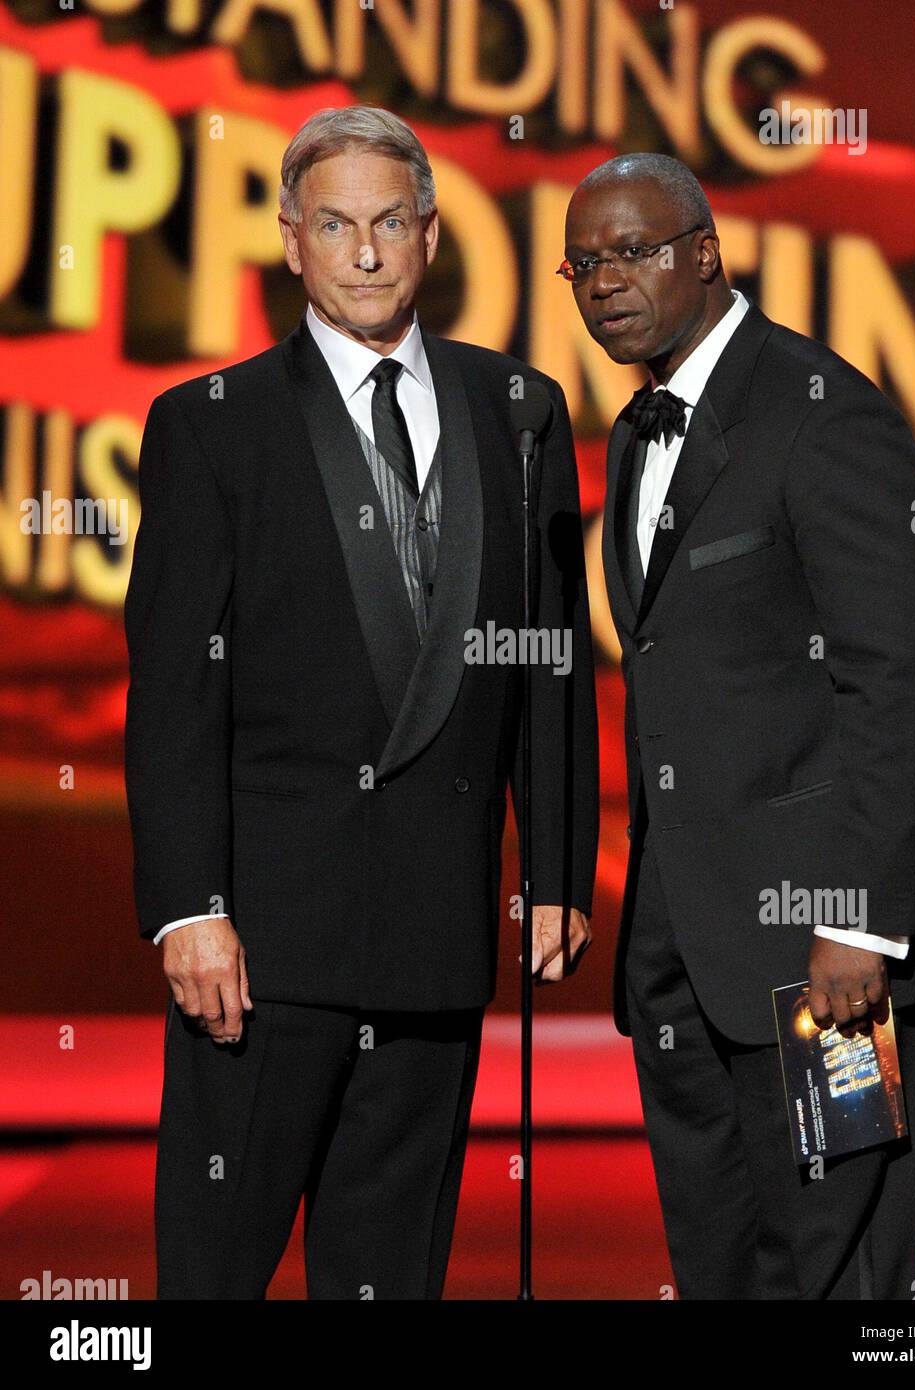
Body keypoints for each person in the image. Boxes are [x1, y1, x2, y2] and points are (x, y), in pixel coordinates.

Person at [124, 105, 598, 1300]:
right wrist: (189, 909)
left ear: (432, 234)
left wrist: (552, 866)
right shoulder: (210, 426)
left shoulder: (520, 411)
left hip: (433, 931)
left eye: (390, 223)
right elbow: (173, 690)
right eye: (335, 226)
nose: (367, 253)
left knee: (389, 1277)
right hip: (261, 946)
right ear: (290, 242)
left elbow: (547, 660)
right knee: (216, 1271)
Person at [562, 152, 915, 1299]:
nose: (606, 280)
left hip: (829, 961)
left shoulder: (822, 411)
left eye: (634, 250)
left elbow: (897, 678)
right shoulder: (632, 431)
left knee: (837, 1272)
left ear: (704, 252)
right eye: (583, 263)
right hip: (685, 953)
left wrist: (856, 918)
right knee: (721, 1268)